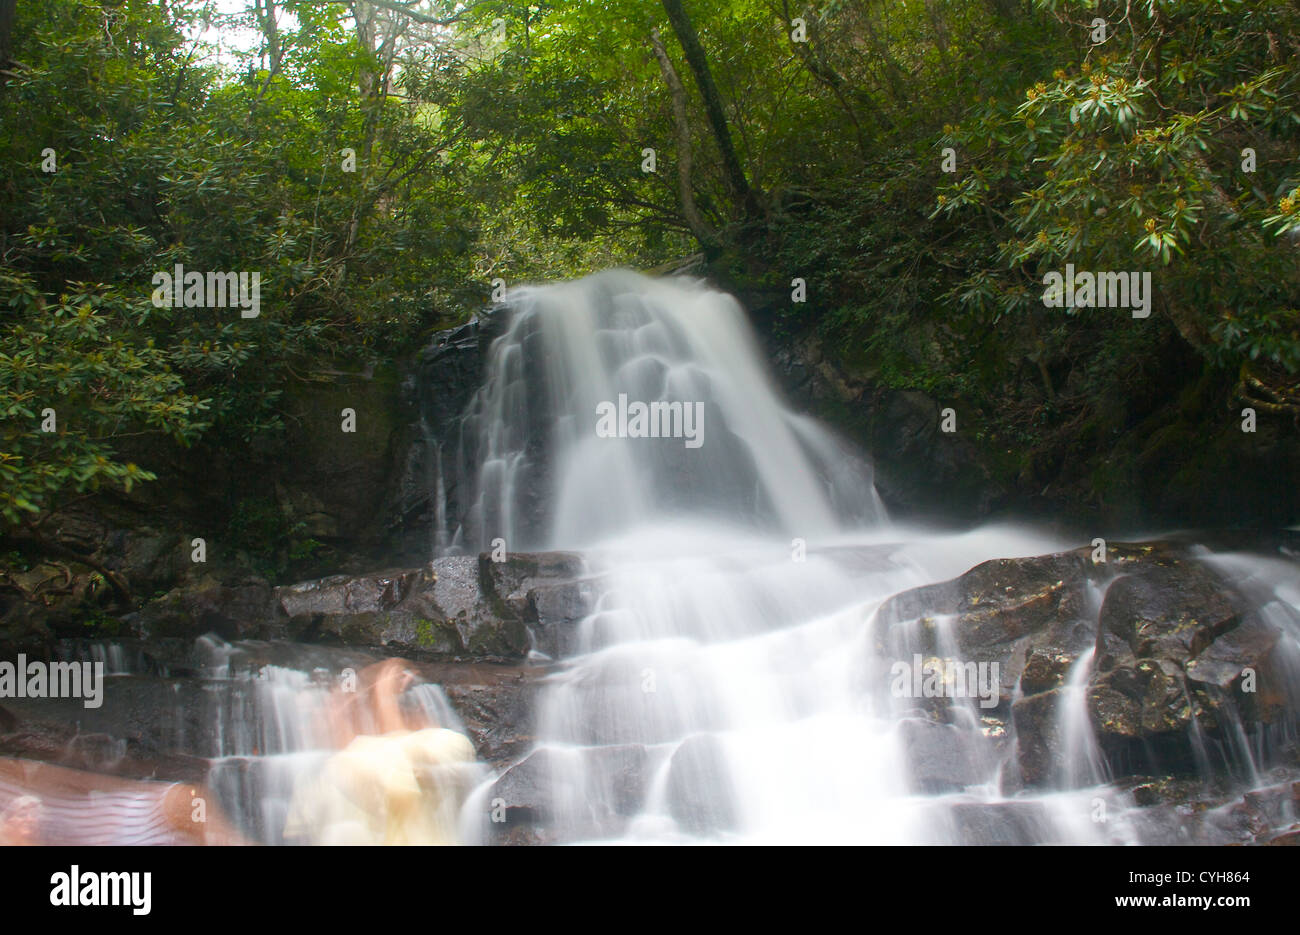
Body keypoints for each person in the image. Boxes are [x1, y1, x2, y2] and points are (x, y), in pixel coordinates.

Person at [283, 659, 477, 845]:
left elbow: (400, 772)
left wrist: (383, 699)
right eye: (307, 718)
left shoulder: (444, 744)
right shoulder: (324, 772)